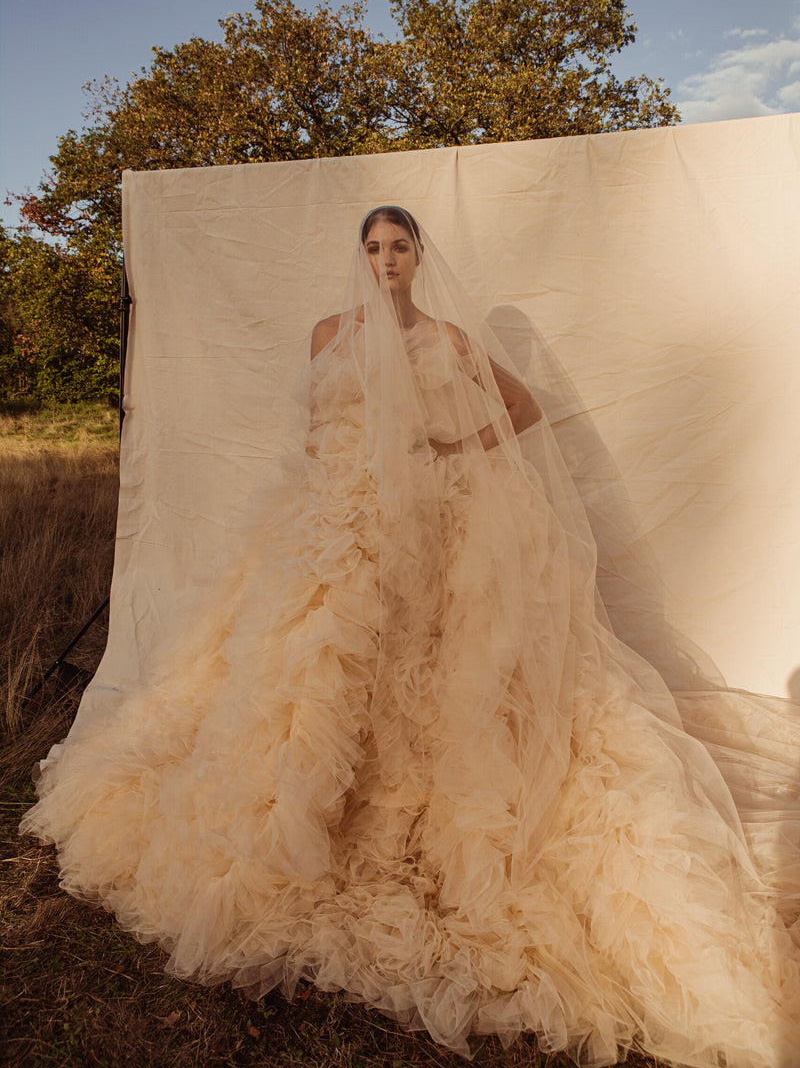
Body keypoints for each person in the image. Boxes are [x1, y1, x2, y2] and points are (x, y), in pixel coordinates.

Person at [21, 206, 800, 1068]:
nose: (386, 260)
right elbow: (317, 427)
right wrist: (328, 490)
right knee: (309, 672)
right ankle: (305, 813)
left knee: (425, 677)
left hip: (424, 524)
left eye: (399, 248)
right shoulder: (329, 330)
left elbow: (522, 408)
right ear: (360, 256)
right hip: (337, 520)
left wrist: (445, 444)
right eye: (373, 248)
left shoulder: (449, 339)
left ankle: (403, 818)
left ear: (419, 257)